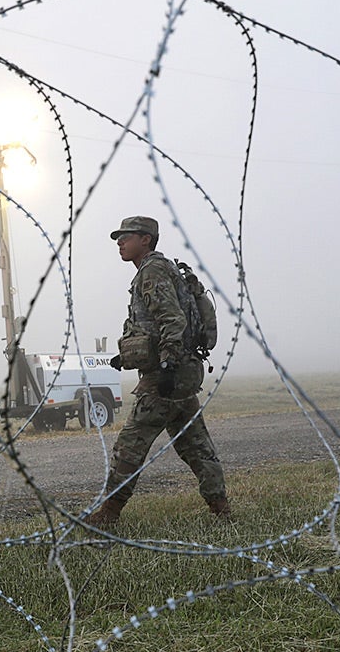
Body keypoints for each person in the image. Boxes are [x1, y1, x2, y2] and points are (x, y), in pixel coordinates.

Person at [85, 216, 232, 527]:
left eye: (126, 237)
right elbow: (155, 324)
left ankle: (109, 514)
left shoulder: (152, 270)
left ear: (146, 239)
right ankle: (221, 509)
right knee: (196, 445)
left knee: (130, 445)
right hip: (183, 373)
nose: (119, 243)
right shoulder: (158, 270)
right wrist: (126, 357)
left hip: (167, 376)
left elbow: (172, 320)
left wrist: (166, 364)